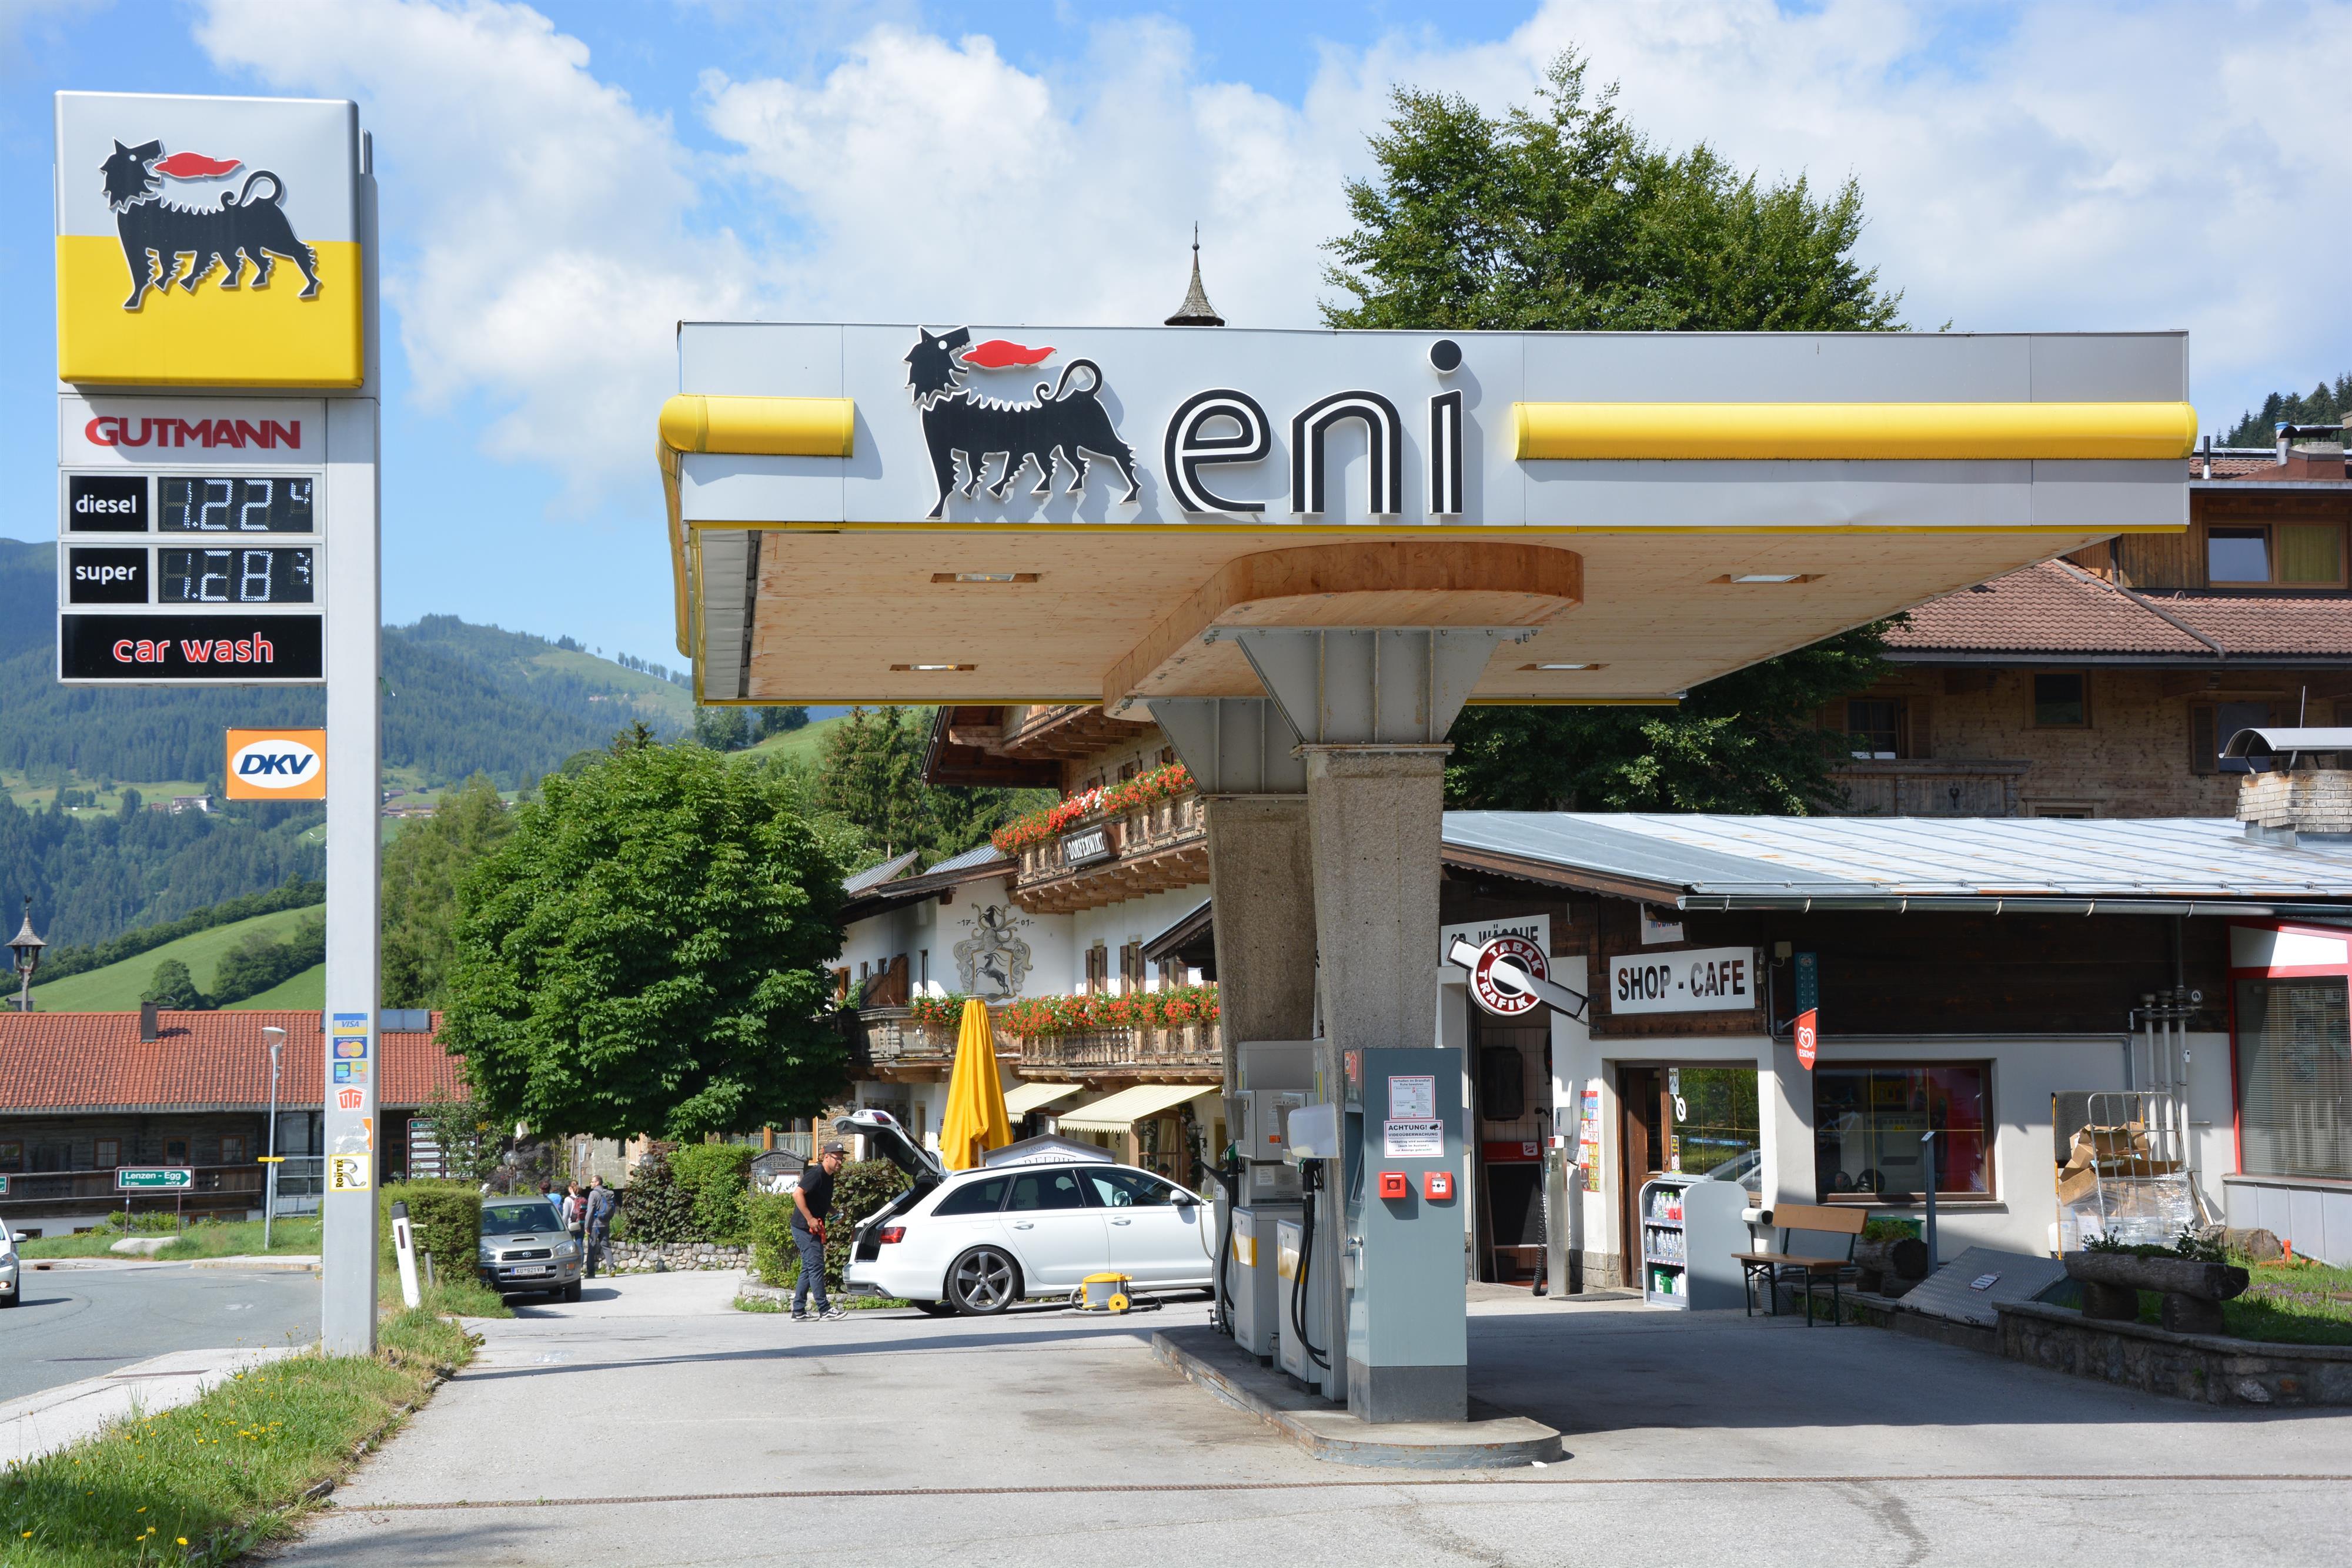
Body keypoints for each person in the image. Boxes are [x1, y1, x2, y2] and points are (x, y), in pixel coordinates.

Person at [792, 1143, 847, 1322]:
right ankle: (824, 1309)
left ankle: (799, 1311)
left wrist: (835, 1213)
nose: (840, 1161)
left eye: (842, 1158)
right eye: (837, 1157)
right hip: (804, 1228)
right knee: (816, 1266)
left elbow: (822, 1201)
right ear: (826, 1157)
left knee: (809, 1268)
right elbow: (797, 1194)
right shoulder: (816, 1174)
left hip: (811, 1227)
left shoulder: (829, 1176)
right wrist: (810, 1218)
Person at [584, 1175, 616, 1278]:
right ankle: (612, 1267)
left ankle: (591, 1272)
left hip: (595, 1225)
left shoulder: (593, 1194)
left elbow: (590, 1211)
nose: (591, 1184)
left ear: (597, 1183)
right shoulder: (608, 1193)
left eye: (592, 1182)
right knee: (606, 1246)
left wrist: (586, 1226)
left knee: (592, 1247)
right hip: (606, 1223)